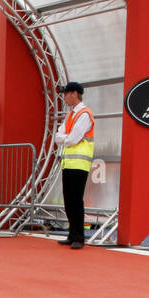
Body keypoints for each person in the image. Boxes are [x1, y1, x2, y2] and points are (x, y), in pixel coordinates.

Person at [55, 81, 95, 248]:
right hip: (68, 163)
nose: (64, 97)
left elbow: (72, 138)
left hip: (79, 163)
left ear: (73, 94)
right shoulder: (70, 114)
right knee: (69, 201)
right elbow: (59, 135)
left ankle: (79, 237)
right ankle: (72, 235)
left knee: (76, 200)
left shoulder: (84, 114)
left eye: (65, 94)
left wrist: (64, 139)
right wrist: (65, 138)